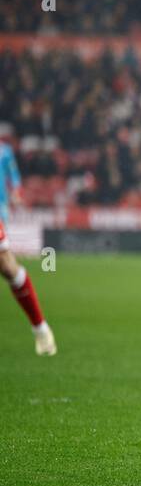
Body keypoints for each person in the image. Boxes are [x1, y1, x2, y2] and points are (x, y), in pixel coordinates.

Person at [0, 138, 55, 355]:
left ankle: (40, 328)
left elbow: (13, 177)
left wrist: (16, 193)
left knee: (7, 267)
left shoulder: (4, 152)